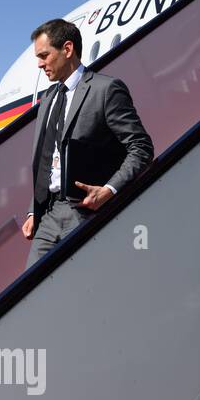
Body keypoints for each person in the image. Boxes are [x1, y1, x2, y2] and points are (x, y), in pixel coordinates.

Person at [21, 18, 153, 271]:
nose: (39, 64)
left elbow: (141, 147)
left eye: (44, 55)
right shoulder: (48, 99)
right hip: (48, 215)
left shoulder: (106, 89)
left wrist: (109, 190)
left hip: (86, 212)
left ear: (67, 49)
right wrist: (32, 211)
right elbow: (47, 160)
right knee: (27, 295)